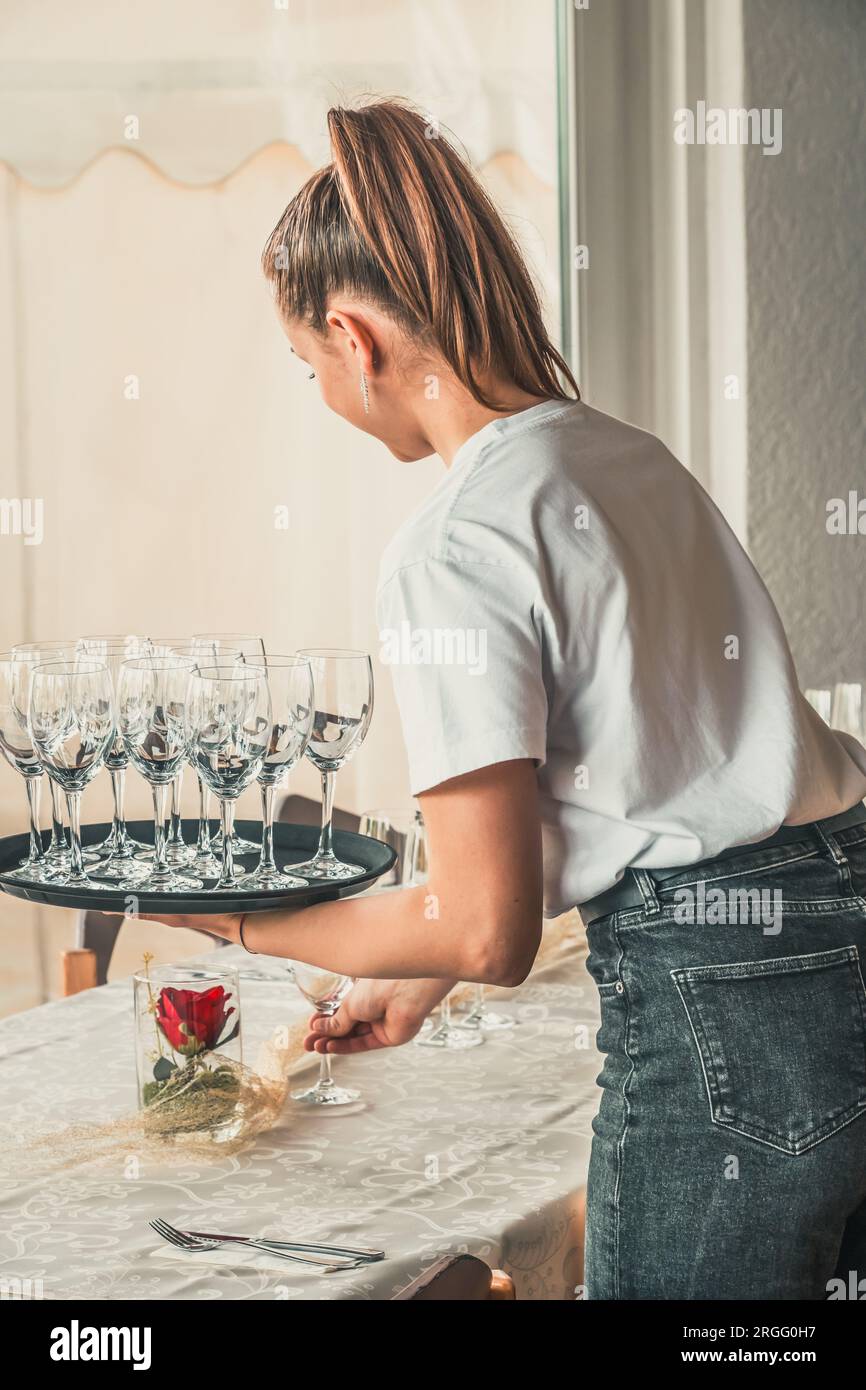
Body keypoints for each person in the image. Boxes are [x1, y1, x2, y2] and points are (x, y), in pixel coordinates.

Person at [153, 100, 866, 1300]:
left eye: (306, 365)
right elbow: (640, 768)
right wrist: (413, 971)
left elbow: (488, 928)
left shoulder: (453, 541)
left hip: (721, 1022)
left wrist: (243, 921)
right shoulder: (622, 455)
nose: (320, 392)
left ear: (353, 337)